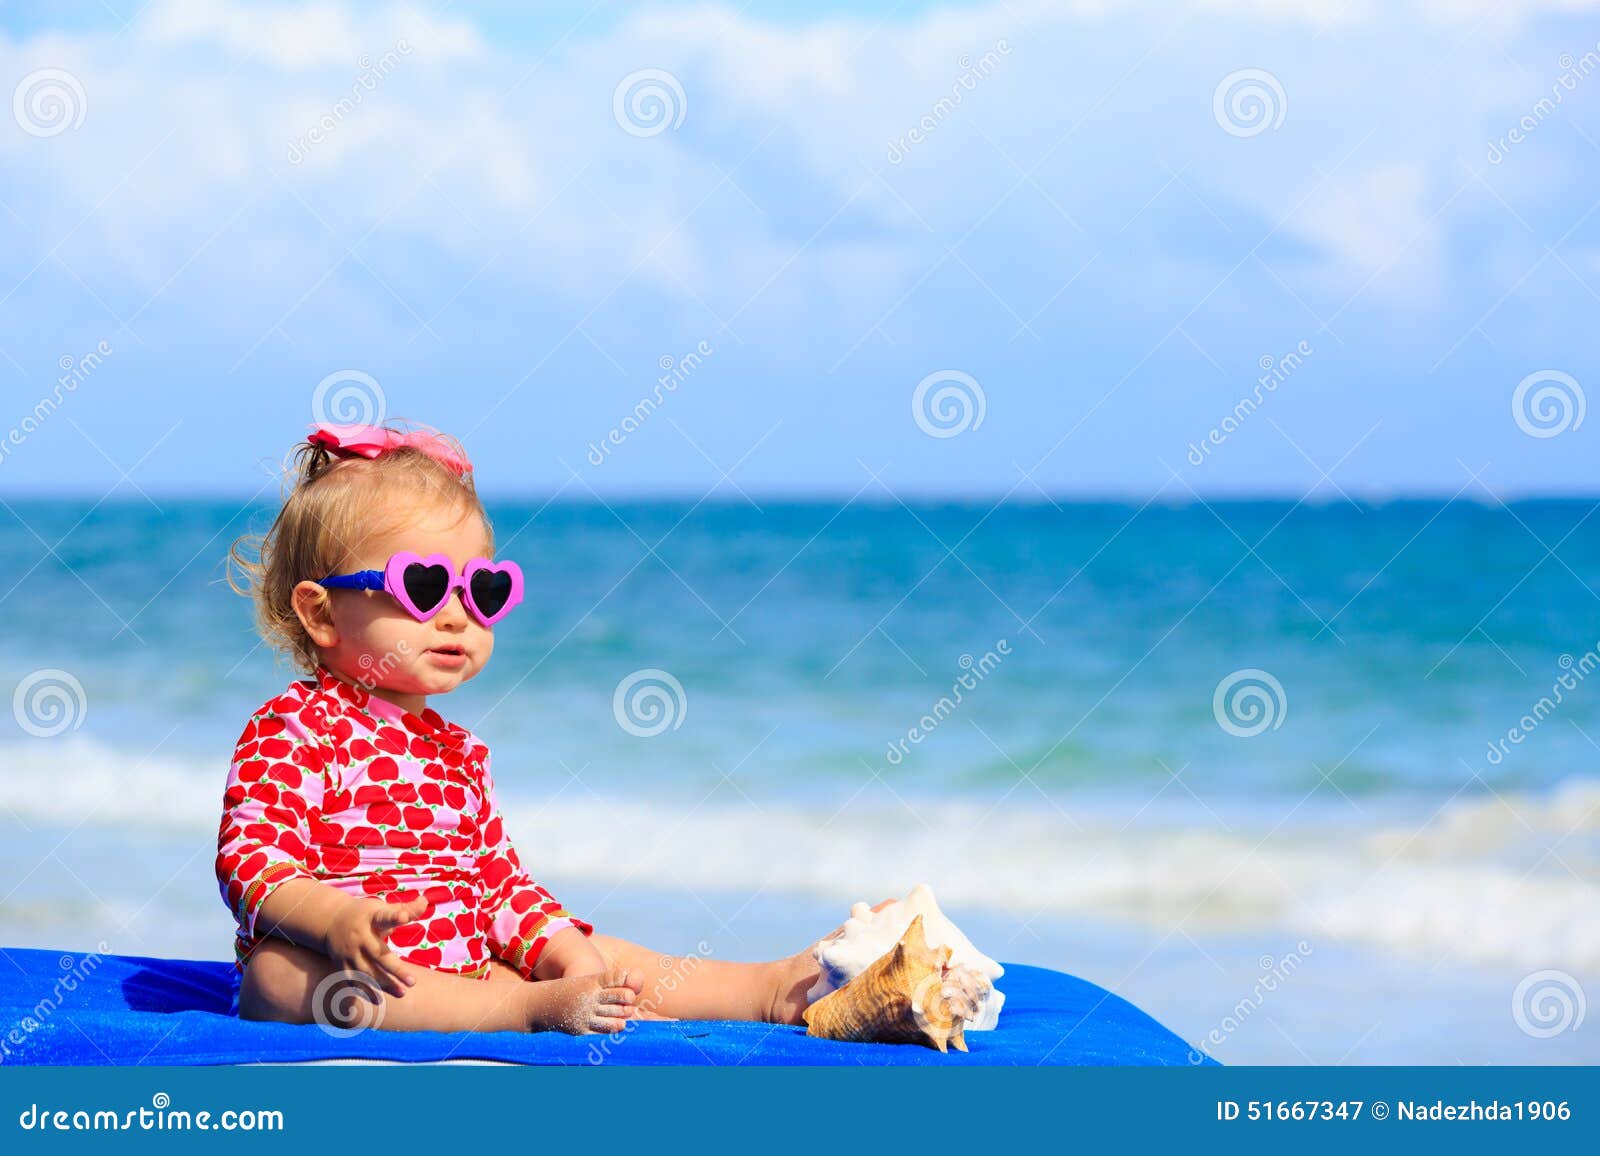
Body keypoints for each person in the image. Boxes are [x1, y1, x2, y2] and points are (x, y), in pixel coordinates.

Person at [219, 419, 885, 1034]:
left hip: (465, 972)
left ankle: (770, 990)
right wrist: (333, 919)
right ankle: (526, 1008)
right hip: (362, 974)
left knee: (597, 951)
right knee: (279, 977)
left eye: (480, 590)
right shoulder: (297, 729)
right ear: (322, 614)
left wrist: (568, 953)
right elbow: (251, 860)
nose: (456, 617)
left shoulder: (458, 753)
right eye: (423, 586)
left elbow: (500, 883)